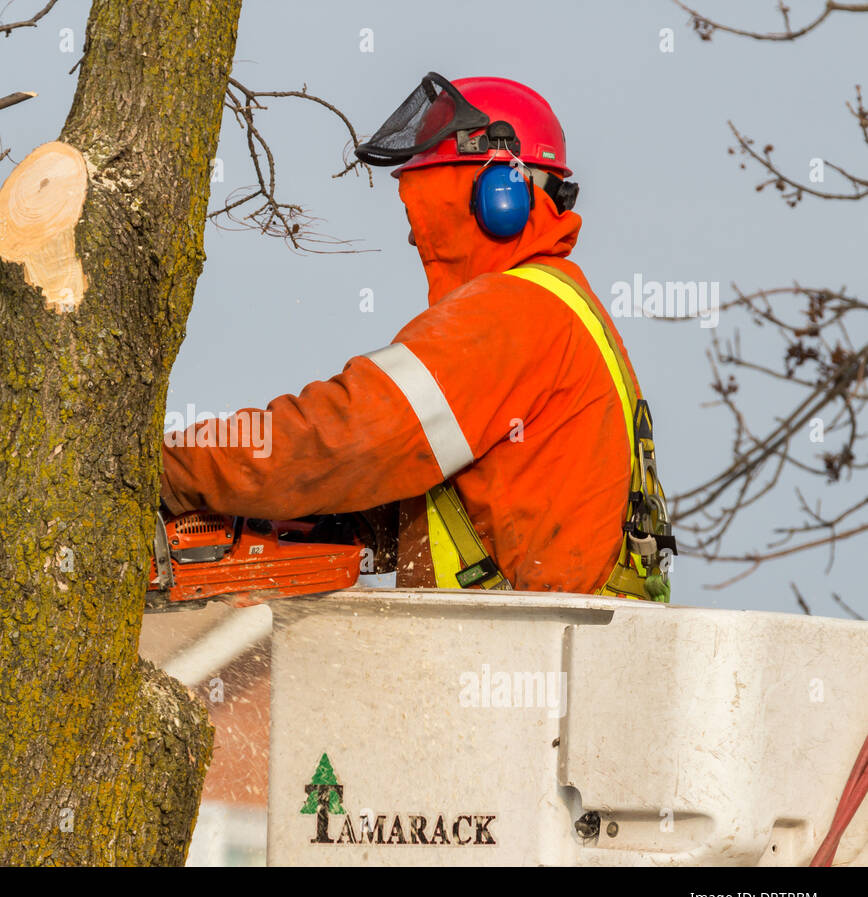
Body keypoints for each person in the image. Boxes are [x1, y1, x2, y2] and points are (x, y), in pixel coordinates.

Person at [161, 74, 674, 599]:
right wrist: (314, 521)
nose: (412, 235)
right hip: (544, 648)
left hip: (517, 651)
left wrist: (168, 469)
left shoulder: (511, 314)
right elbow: (468, 501)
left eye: (425, 210)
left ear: (498, 195)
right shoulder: (562, 304)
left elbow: (347, 438)